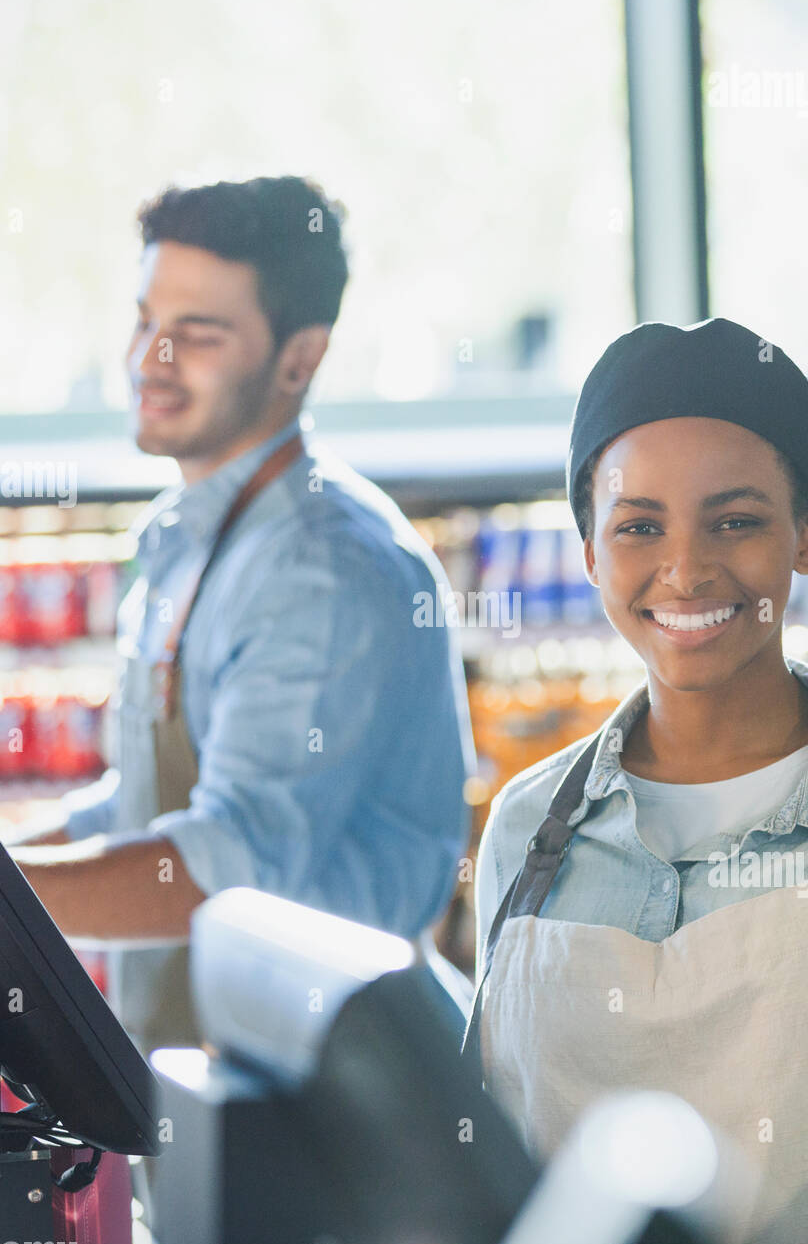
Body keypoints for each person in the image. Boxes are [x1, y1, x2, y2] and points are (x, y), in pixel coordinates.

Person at [465, 317, 808, 1244]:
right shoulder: (527, 827)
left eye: (737, 520)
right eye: (639, 526)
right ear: (590, 551)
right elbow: (492, 1158)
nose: (686, 569)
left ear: (804, 536)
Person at [12, 175, 475, 1062]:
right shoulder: (201, 536)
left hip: (328, 1107)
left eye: (197, 335)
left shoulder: (319, 569)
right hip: (207, 1071)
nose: (151, 359)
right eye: (146, 320)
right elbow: (147, 805)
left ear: (300, 359)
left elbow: (232, 859)